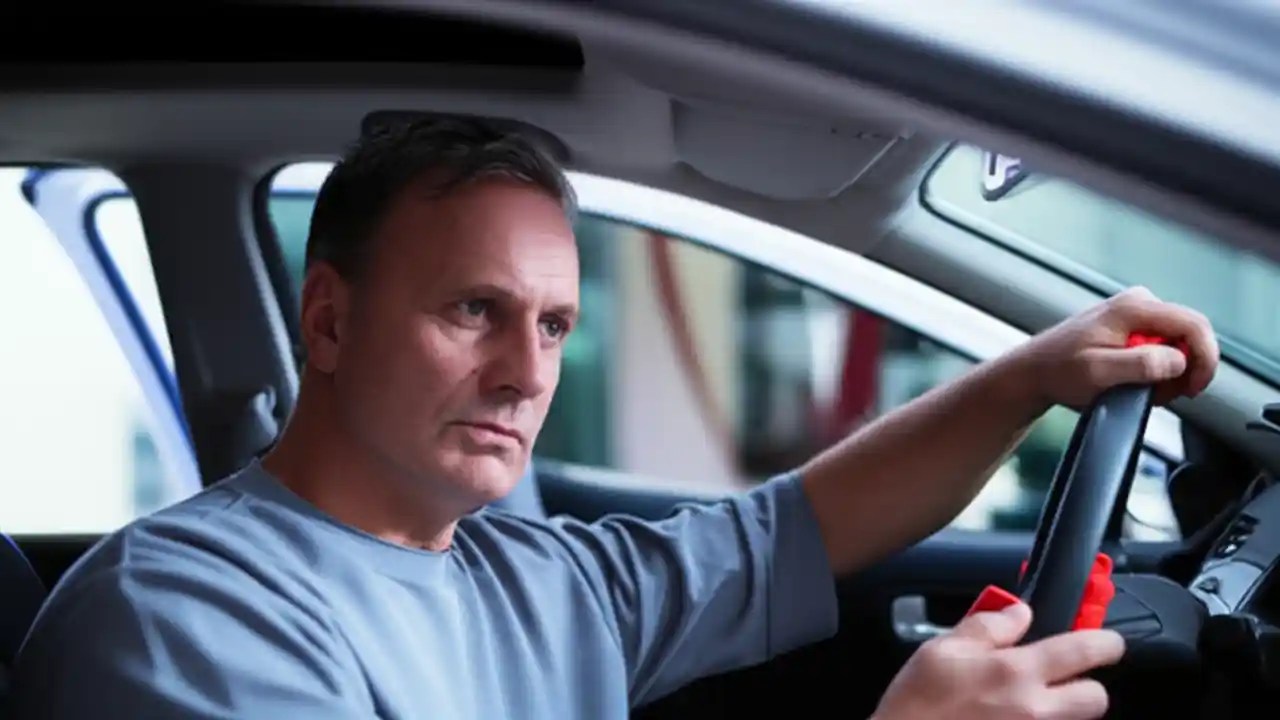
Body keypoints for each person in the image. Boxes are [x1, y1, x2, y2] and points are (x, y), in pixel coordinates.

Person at [6, 118, 1218, 720]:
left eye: (550, 327)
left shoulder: (533, 578)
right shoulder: (185, 623)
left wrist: (1030, 377)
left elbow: (791, 528)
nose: (522, 372)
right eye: (472, 310)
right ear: (325, 321)